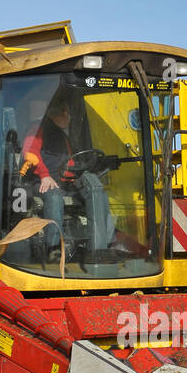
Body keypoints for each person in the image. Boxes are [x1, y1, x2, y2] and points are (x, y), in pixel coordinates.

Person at [20, 88, 115, 256]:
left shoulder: (64, 136)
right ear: (63, 113)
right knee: (54, 196)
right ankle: (54, 248)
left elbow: (71, 162)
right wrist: (44, 175)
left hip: (67, 181)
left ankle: (104, 246)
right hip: (43, 182)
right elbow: (30, 153)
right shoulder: (39, 128)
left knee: (96, 190)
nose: (70, 119)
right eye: (69, 114)